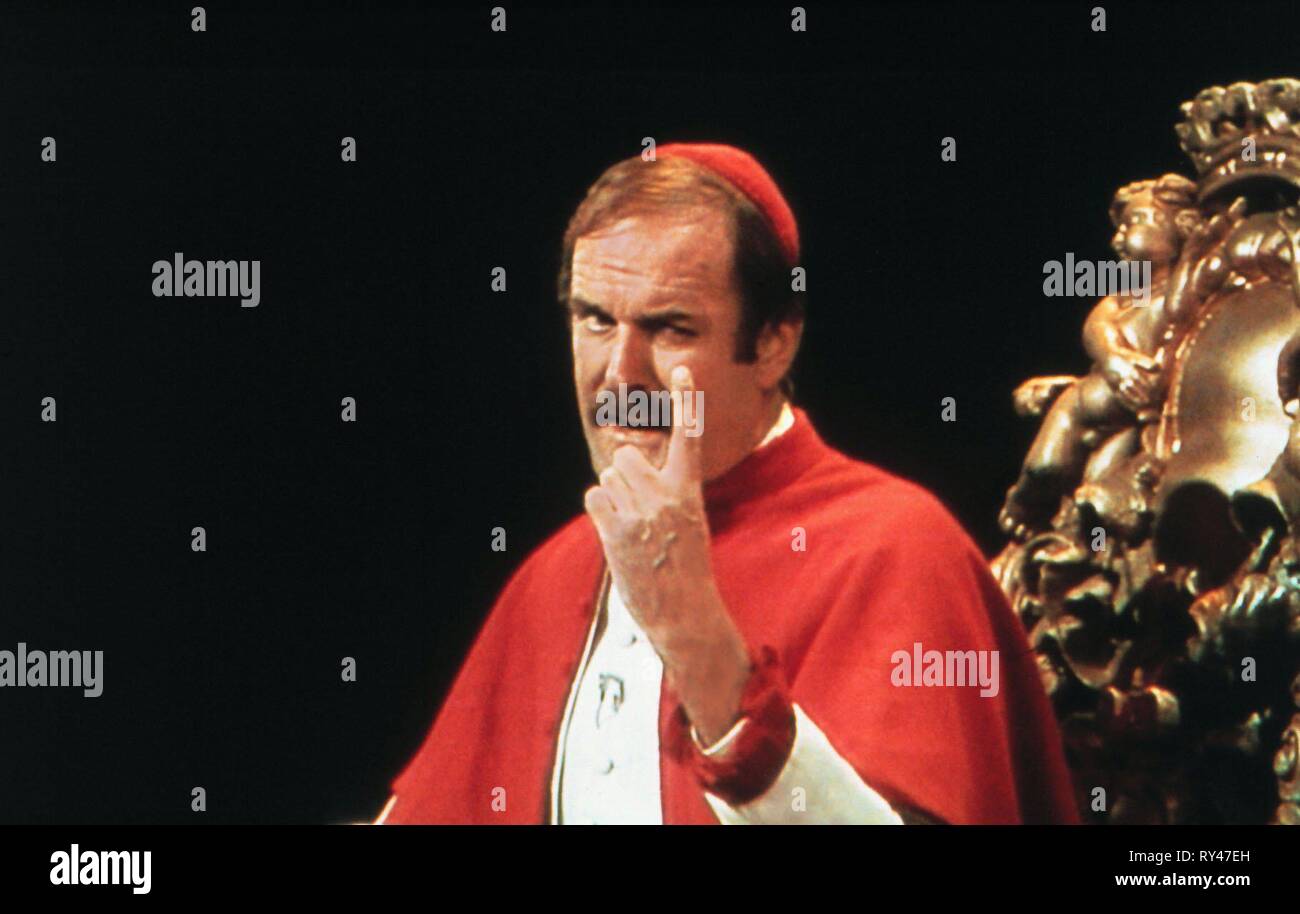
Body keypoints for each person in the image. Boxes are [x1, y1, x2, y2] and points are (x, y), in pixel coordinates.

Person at [376, 143, 1079, 824]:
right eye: (594, 320)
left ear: (775, 342)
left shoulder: (896, 548)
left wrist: (695, 636)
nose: (621, 374)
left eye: (670, 328)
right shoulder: (553, 577)